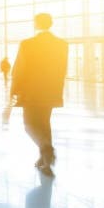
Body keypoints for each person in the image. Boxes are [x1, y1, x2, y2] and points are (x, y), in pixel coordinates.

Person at [11, 13, 68, 177]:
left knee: (29, 125)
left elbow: (19, 70)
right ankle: (45, 162)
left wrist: (14, 90)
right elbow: (62, 69)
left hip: (31, 92)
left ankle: (46, 150)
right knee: (44, 124)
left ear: (36, 24)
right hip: (50, 91)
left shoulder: (28, 44)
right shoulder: (61, 44)